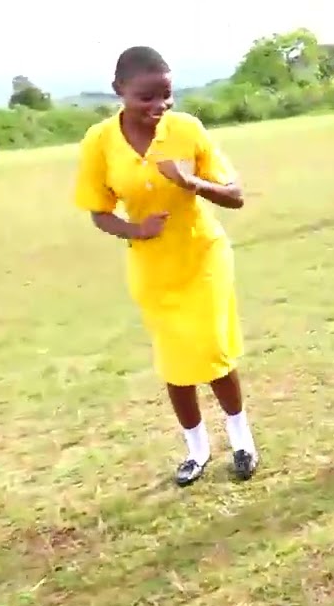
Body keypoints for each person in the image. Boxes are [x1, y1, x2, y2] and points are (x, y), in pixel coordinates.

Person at [73, 46, 259, 487]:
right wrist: (136, 231)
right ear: (119, 90)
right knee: (175, 363)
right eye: (146, 97)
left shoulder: (187, 130)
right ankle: (196, 450)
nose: (159, 107)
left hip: (202, 256)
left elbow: (235, 193)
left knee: (212, 351)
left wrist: (191, 182)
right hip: (153, 269)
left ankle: (242, 440)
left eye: (167, 95)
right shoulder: (99, 141)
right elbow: (98, 211)